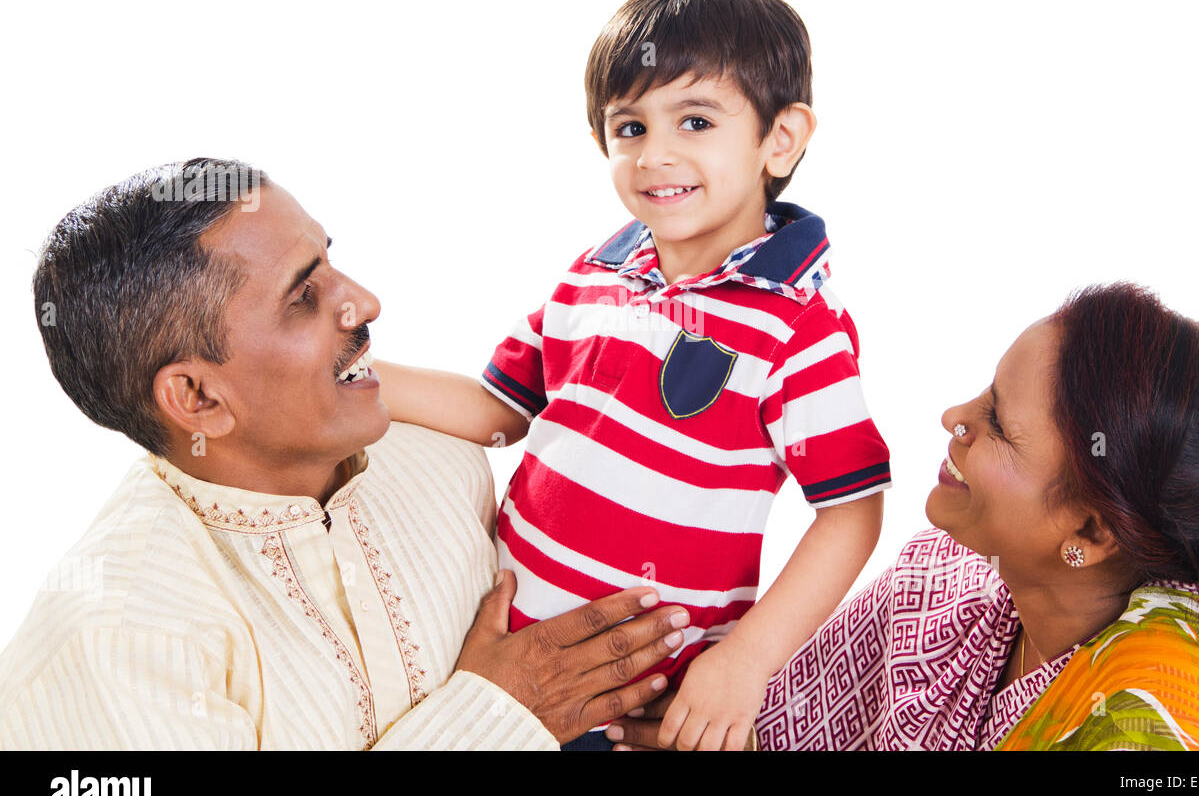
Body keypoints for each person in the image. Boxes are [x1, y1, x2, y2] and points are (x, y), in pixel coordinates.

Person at [0, 158, 690, 750]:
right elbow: (519, 702)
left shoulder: (443, 463)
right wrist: (496, 718)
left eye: (330, 261)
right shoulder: (116, 638)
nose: (366, 301)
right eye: (303, 296)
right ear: (197, 398)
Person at [374, 0, 892, 751]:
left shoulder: (798, 322)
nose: (657, 155)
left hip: (635, 703)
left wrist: (747, 661)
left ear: (779, 139)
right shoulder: (595, 271)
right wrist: (351, 378)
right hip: (493, 671)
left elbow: (851, 509)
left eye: (694, 120)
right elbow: (495, 410)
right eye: (630, 128)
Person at [608, 282, 1199, 750]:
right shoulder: (941, 585)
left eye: (997, 421)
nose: (954, 419)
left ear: (1090, 533)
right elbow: (761, 731)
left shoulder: (1174, 709)